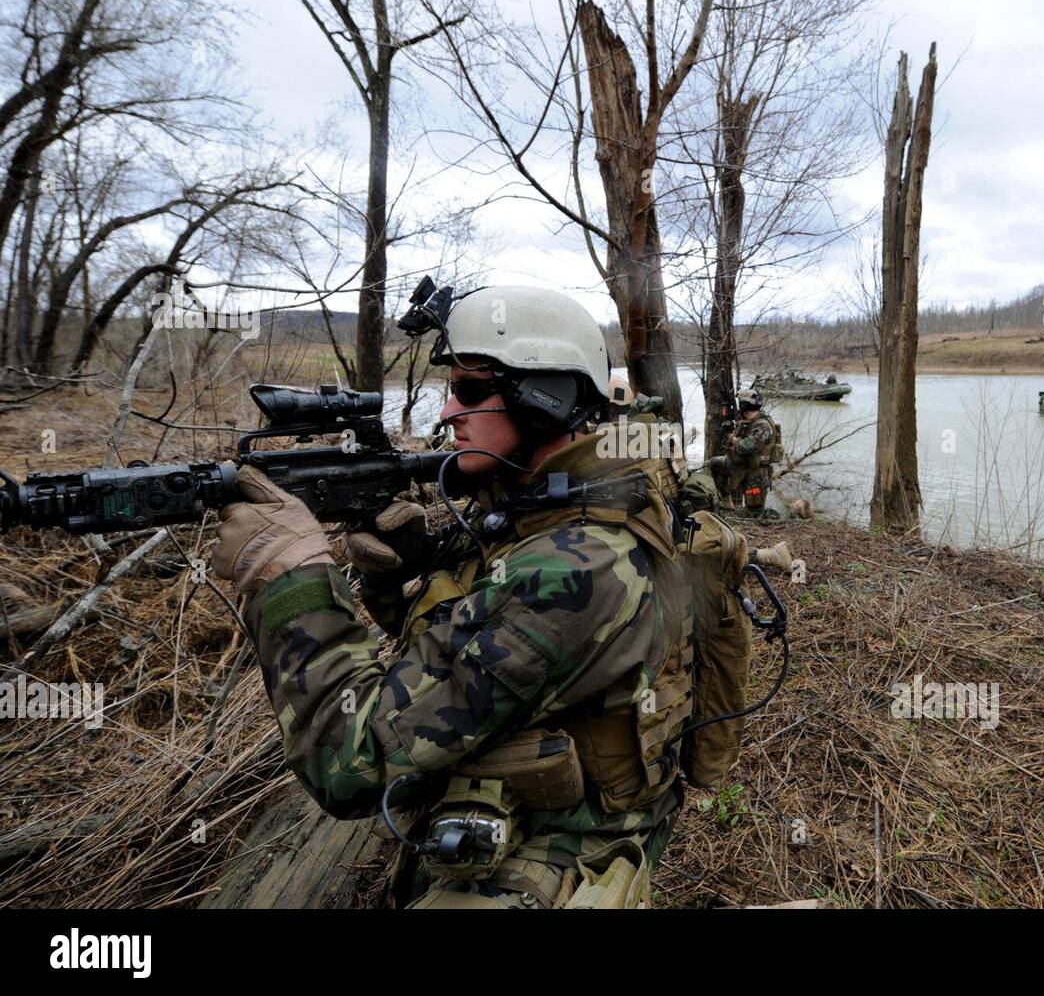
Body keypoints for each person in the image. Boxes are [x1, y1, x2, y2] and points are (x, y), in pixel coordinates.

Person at [211, 286, 693, 909]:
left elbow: (349, 762)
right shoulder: (586, 496)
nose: (445, 413)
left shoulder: (573, 568)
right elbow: (466, 652)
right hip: (566, 802)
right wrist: (408, 573)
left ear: (543, 399)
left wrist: (290, 579)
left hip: (557, 854)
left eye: (468, 391)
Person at [709, 388, 777, 510]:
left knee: (755, 510)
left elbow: (745, 446)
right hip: (741, 467)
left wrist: (732, 438)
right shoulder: (748, 422)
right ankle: (726, 501)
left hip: (756, 472)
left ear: (745, 405)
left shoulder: (763, 425)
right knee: (714, 463)